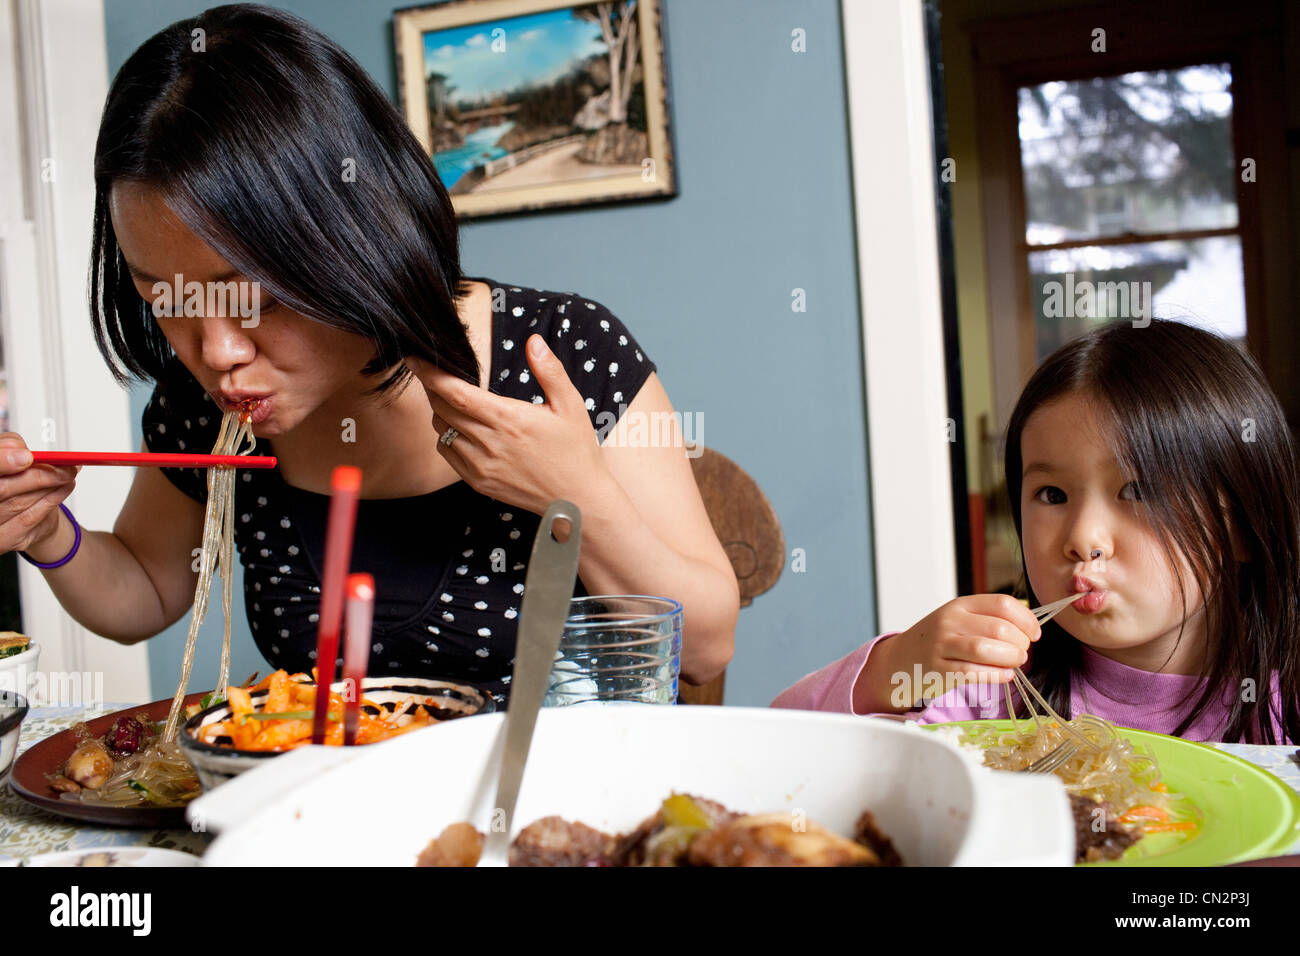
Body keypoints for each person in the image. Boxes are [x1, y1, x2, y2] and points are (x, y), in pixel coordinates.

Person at [0, 4, 738, 704]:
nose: (215, 351)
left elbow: (704, 647)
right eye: (168, 300)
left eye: (252, 298)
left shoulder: (561, 356)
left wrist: (580, 497)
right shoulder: (207, 413)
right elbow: (147, 588)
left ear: (349, 243)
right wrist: (45, 531)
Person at [774, 319, 1298, 744]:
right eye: (1052, 495)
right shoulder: (994, 694)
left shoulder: (1283, 704)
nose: (1084, 538)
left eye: (1137, 491)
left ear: (1240, 530)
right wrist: (895, 665)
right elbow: (778, 740)